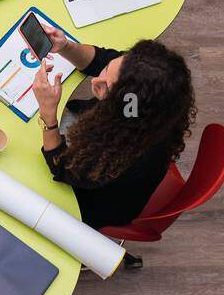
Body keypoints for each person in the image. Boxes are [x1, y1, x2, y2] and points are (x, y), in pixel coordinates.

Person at [29, 23, 196, 230]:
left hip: (90, 203)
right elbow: (99, 60)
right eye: (107, 70)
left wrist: (48, 115)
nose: (96, 81)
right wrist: (65, 46)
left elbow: (63, 167)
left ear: (126, 106)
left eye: (106, 87)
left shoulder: (124, 149)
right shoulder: (147, 86)